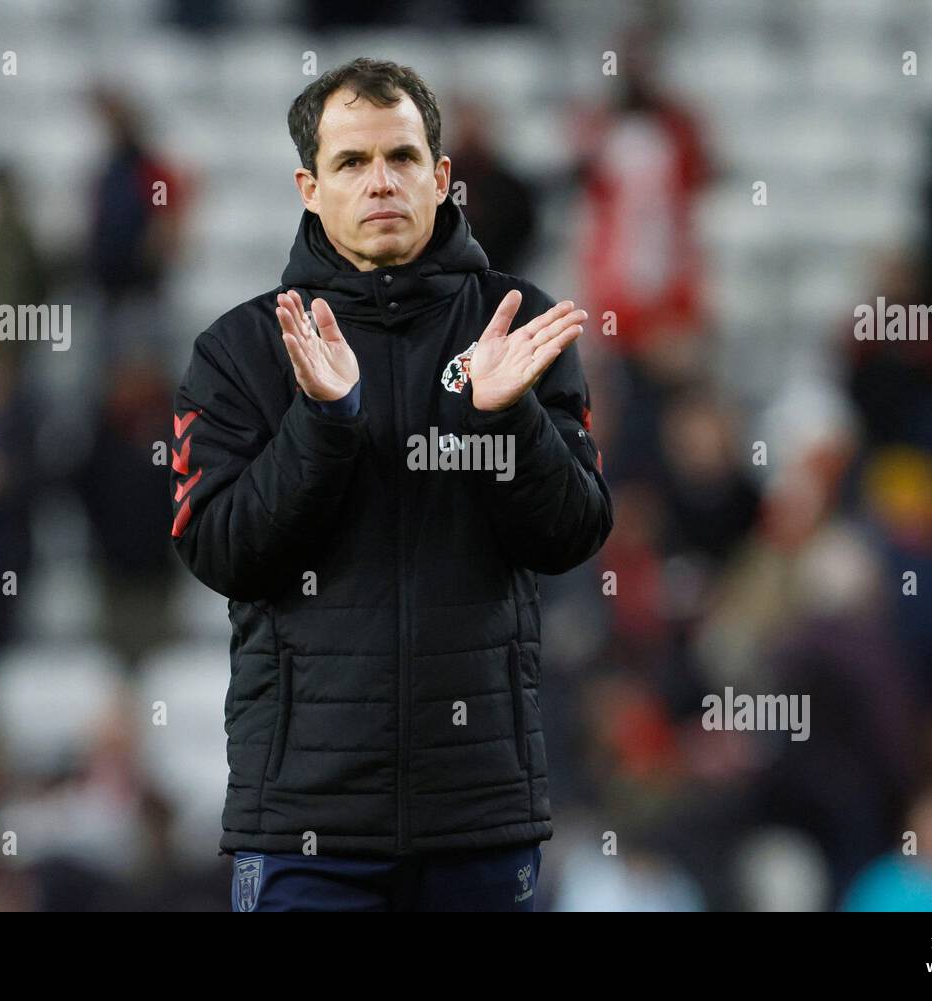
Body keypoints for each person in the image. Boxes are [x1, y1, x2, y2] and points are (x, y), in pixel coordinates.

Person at [168, 57, 613, 911]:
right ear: (309, 185)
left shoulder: (515, 325)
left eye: (403, 158)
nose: (381, 181)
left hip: (480, 813)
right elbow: (220, 549)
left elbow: (572, 534)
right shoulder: (241, 350)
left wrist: (502, 418)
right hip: (305, 820)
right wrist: (323, 425)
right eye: (351, 162)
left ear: (443, 177)